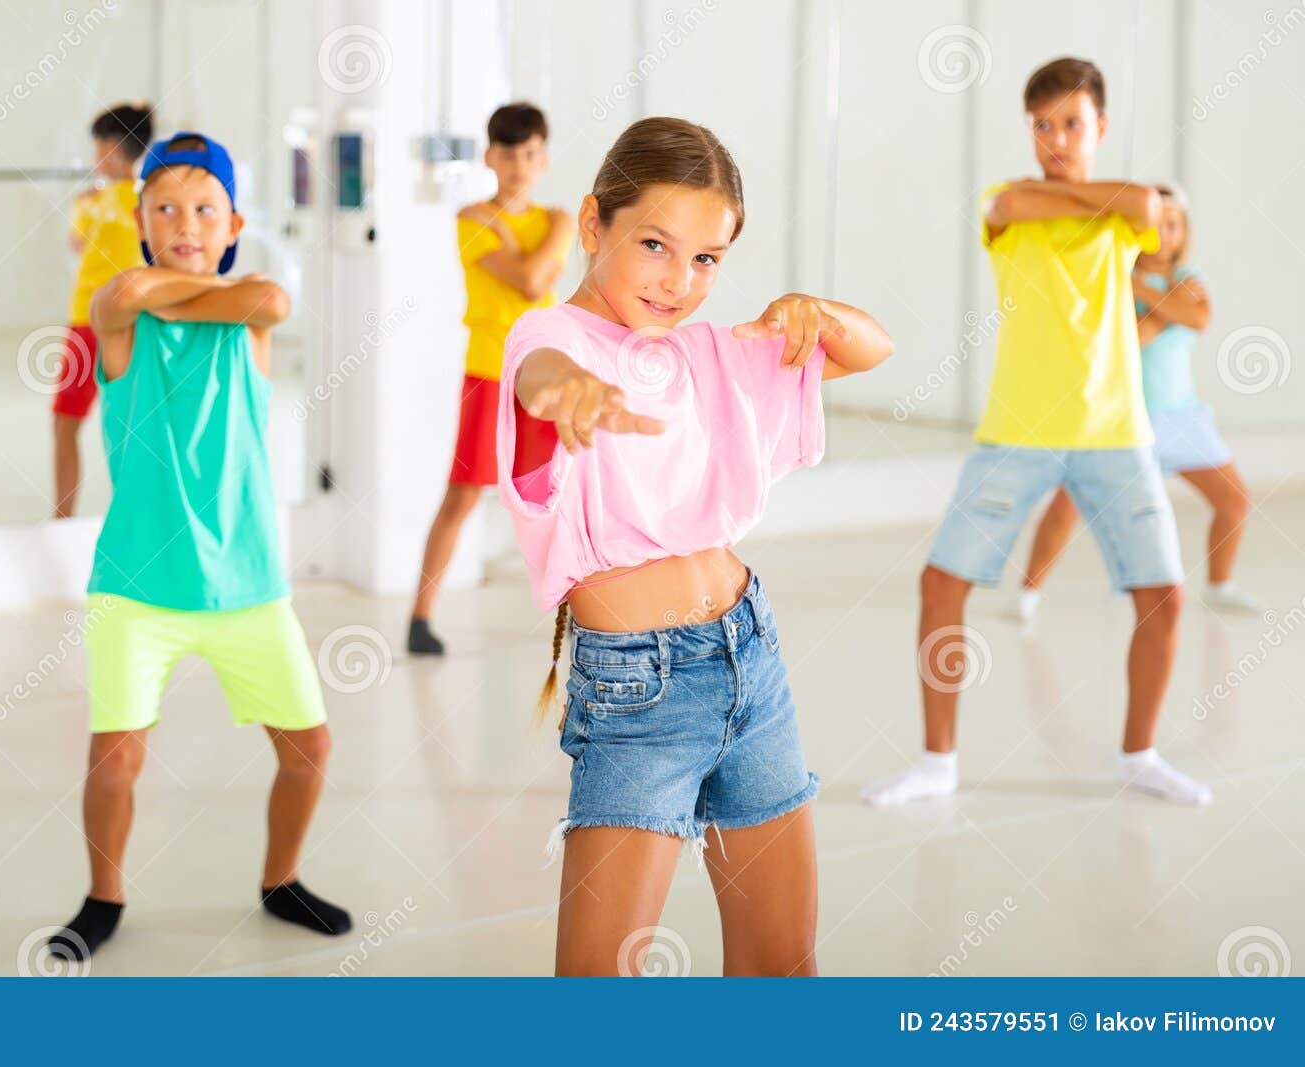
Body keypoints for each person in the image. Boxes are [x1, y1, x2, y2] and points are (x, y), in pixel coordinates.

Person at [498, 117, 893, 975]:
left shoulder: (712, 353)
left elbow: (872, 347)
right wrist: (571, 395)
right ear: (592, 224)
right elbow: (538, 375)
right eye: (654, 244)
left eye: (707, 258)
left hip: (752, 656)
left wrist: (814, 312)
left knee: (781, 968)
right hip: (638, 690)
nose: (679, 280)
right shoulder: (553, 338)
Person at [862, 57, 1211, 809]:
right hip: (1016, 432)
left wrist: (1095, 196)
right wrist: (1091, 194)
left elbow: (1146, 204)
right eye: (1043, 125)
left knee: (1167, 596)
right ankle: (937, 761)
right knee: (940, 585)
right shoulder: (1008, 204)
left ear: (1102, 127)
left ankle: (1139, 754)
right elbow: (1015, 202)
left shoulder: (1125, 216)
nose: (1055, 138)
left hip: (1116, 434)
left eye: (1072, 124)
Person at [49, 133, 350, 962]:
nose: (186, 222)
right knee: (114, 763)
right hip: (136, 587)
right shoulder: (120, 315)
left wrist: (171, 292)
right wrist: (170, 290)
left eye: (205, 209)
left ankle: (279, 878)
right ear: (140, 220)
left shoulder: (250, 313)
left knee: (310, 748)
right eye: (167, 209)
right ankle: (102, 895)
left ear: (234, 222)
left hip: (249, 585)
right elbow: (130, 290)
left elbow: (271, 303)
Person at [1015, 183, 1257, 621]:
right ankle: (1029, 591)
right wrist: (1166, 307)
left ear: (1184, 230)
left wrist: (1148, 296)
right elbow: (1136, 336)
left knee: (1235, 500)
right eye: (1156, 225)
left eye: (1173, 225)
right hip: (1122, 419)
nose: (1164, 234)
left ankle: (1221, 583)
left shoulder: (1187, 279)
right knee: (1067, 504)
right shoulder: (1116, 278)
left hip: (1181, 417)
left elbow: (1199, 318)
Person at [408, 102, 573, 655]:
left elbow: (531, 276)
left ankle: (579, 616)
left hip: (542, 370)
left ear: (543, 159)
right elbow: (531, 281)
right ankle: (420, 617)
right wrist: (541, 252)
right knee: (462, 495)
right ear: (489, 157)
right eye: (508, 152)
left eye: (529, 153)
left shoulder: (559, 218)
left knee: (557, 494)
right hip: (488, 372)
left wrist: (541, 246)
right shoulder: (471, 218)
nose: (519, 164)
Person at [51, 103, 154, 518]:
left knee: (65, 421)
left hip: (89, 322)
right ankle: (133, 512)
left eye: (98, 147)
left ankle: (62, 516)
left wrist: (85, 204)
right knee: (130, 426)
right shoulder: (151, 199)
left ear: (111, 149)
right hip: (138, 322)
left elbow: (76, 244)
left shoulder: (94, 202)